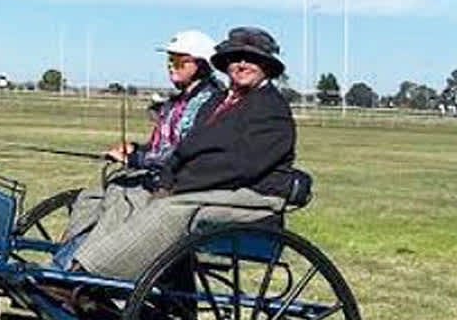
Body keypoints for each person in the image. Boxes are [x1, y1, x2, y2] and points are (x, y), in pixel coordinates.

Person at [68, 26, 296, 281]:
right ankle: (72, 267)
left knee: (169, 209)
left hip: (253, 194)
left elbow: (241, 166)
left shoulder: (270, 108)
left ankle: (94, 277)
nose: (241, 64)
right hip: (211, 186)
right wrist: (165, 179)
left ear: (266, 66)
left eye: (251, 59)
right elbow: (185, 149)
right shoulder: (217, 102)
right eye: (235, 58)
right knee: (130, 195)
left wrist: (179, 185)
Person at [58, 30, 225, 265]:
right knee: (91, 197)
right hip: (157, 174)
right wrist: (135, 149)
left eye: (179, 61)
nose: (171, 66)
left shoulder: (210, 103)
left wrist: (136, 158)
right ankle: (63, 260)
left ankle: (85, 271)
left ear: (201, 65)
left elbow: (183, 152)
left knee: (121, 200)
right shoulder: (177, 102)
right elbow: (160, 145)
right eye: (169, 60)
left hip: (179, 184)